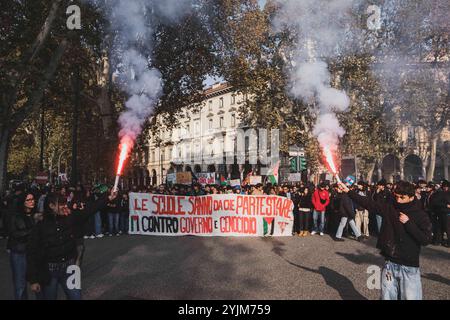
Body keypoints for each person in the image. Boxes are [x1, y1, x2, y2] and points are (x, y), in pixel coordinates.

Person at [339, 180, 432, 300]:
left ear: (411, 197)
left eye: (402, 197)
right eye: (396, 197)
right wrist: (349, 192)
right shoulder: (390, 208)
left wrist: (409, 223)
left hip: (409, 265)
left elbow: (426, 239)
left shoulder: (421, 214)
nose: (398, 200)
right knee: (387, 297)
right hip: (390, 262)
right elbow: (369, 204)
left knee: (410, 297)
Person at [26, 189, 118, 300]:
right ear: (51, 206)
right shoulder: (40, 226)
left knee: (76, 297)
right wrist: (33, 280)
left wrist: (107, 198)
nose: (65, 206)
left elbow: (90, 209)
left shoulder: (70, 217)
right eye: (61, 204)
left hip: (70, 268)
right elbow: (32, 252)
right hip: (49, 272)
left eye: (65, 203)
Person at [7, 193, 38, 300]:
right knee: (20, 285)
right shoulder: (16, 216)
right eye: (28, 200)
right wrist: (33, 230)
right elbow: (14, 233)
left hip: (32, 252)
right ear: (23, 202)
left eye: (32, 199)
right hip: (19, 252)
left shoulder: (34, 215)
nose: (32, 201)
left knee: (36, 282)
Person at [430, 180, 450, 247]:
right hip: (443, 213)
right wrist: (446, 205)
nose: (446, 188)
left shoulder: (447, 193)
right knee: (444, 228)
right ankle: (439, 240)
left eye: (447, 187)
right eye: (445, 186)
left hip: (447, 213)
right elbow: (435, 202)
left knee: (446, 228)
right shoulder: (439, 193)